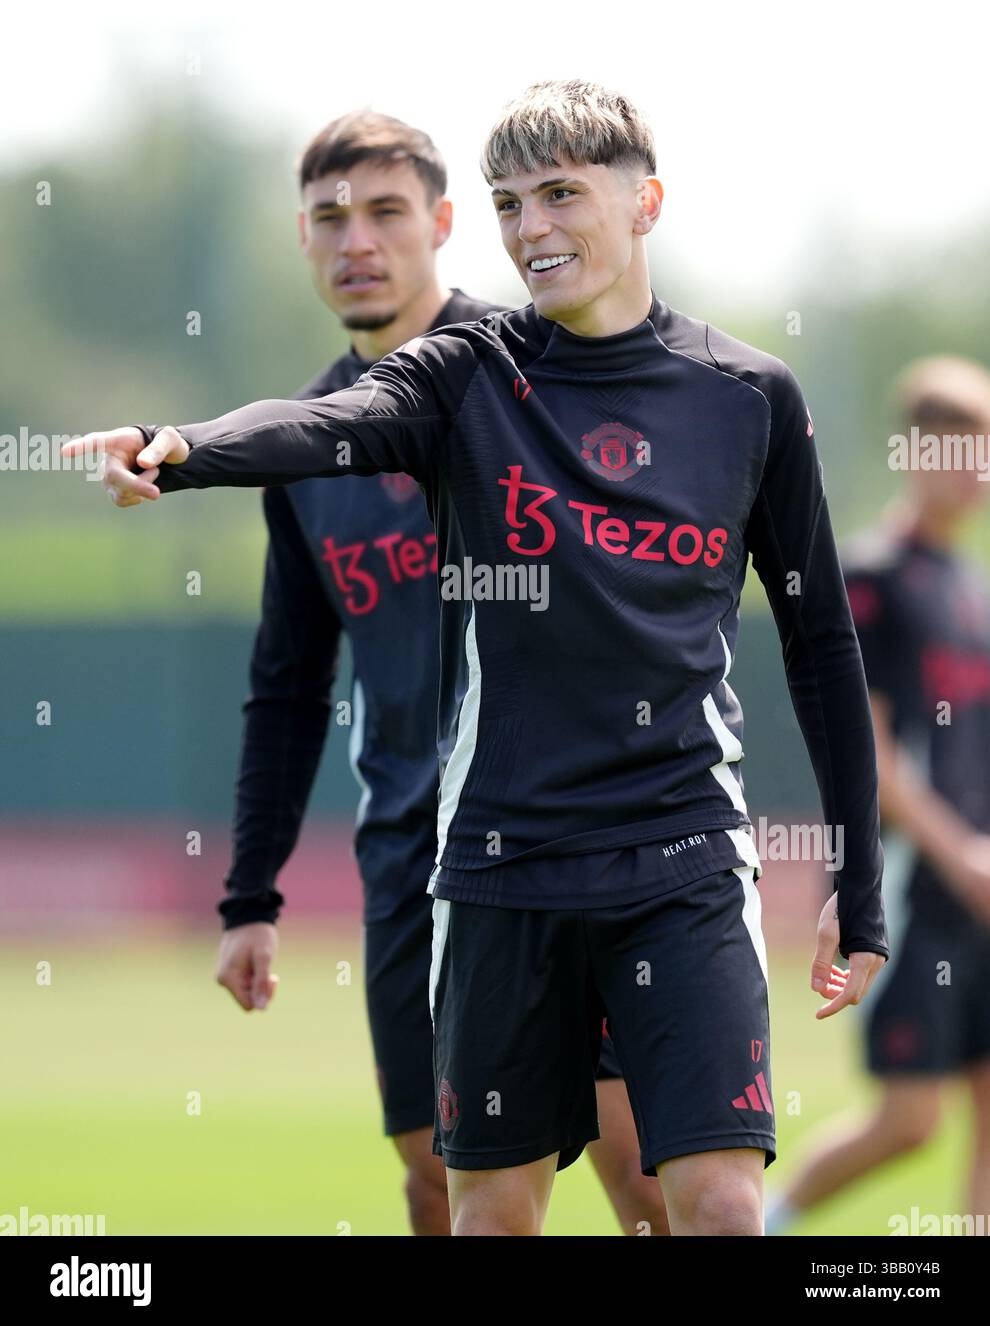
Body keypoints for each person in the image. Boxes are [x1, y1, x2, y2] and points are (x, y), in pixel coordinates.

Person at [64, 79, 888, 1236]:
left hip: (683, 857)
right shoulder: (469, 374)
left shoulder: (749, 394)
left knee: (709, 1203)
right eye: (512, 202)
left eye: (561, 195)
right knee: (484, 1214)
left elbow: (822, 644)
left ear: (643, 201)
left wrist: (858, 879)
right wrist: (183, 447)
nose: (533, 227)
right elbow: (323, 428)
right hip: (498, 868)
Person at [766, 357, 990, 1235]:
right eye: (960, 449)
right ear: (919, 452)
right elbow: (873, 757)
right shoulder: (872, 575)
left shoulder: (969, 589)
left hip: (978, 891)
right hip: (915, 886)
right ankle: (770, 1221)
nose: (975, 470)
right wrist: (960, 856)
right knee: (910, 1121)